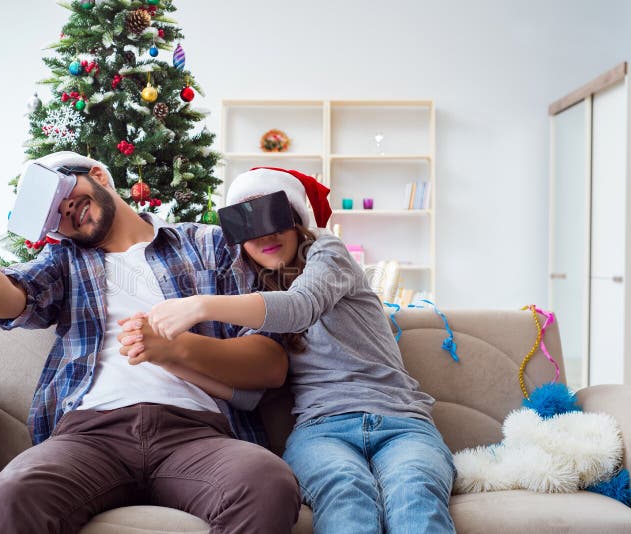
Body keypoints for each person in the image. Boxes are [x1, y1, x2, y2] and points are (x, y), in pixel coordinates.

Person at [0, 152, 300, 534]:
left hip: (197, 435)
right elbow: (15, 296)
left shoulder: (209, 246)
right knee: (14, 492)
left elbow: (271, 366)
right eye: (54, 214)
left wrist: (176, 349)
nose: (66, 210)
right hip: (88, 438)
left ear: (97, 175)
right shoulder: (65, 262)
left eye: (68, 194)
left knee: (267, 482)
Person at [124, 167, 457, 534]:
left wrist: (199, 306)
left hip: (402, 422)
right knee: (346, 491)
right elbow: (249, 397)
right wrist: (169, 357)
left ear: (297, 220)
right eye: (248, 226)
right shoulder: (256, 302)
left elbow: (300, 305)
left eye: (275, 219)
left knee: (413, 492)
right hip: (320, 432)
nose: (266, 234)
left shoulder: (327, 253)